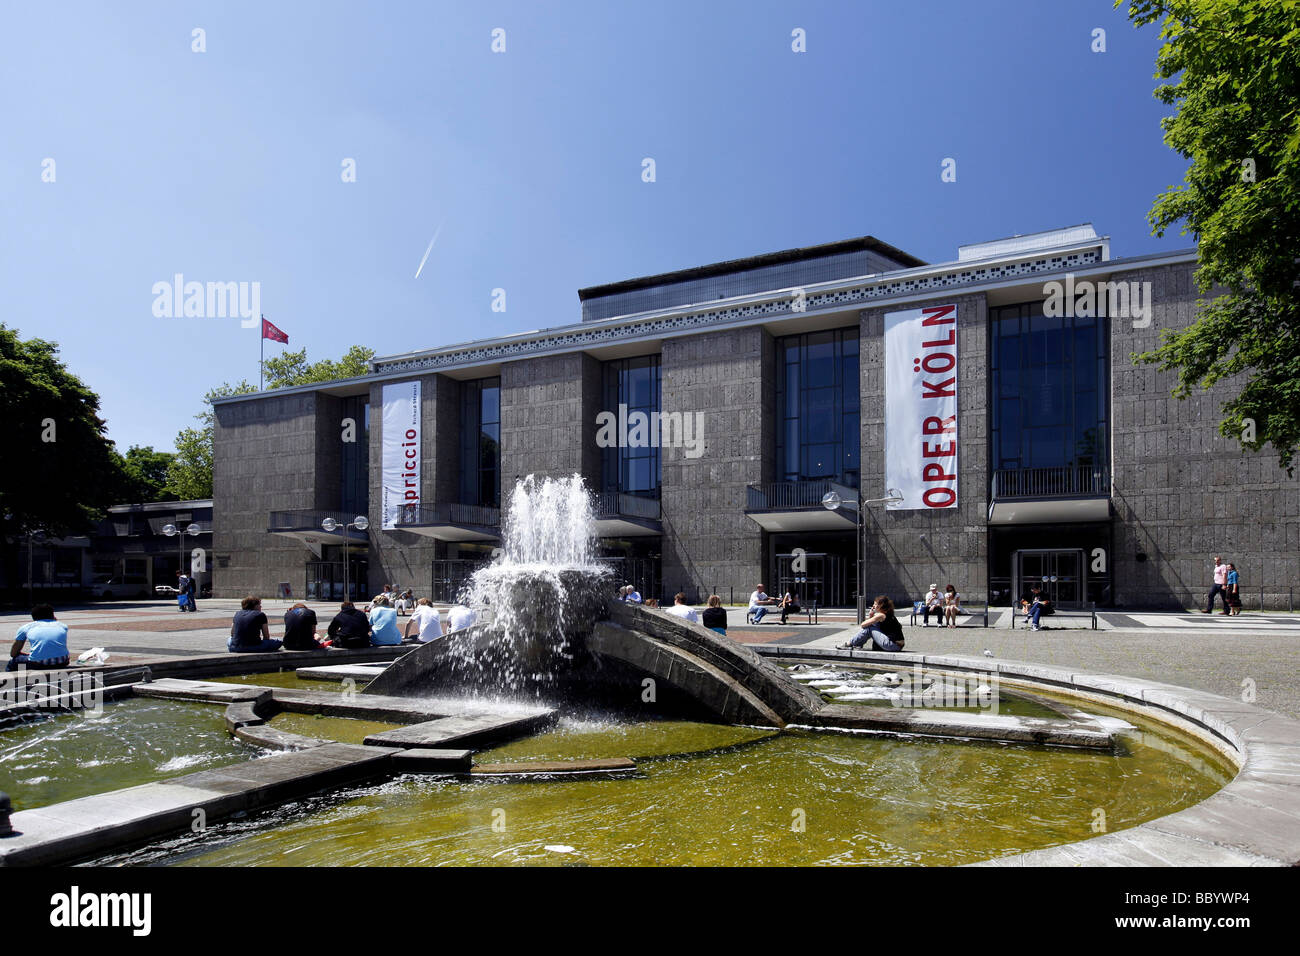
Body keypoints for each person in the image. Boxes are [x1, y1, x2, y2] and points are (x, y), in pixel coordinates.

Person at [7, 604, 71, 671]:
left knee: (15, 661)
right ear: (53, 615)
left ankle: (19, 677)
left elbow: (13, 653)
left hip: (38, 664)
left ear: (33, 617)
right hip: (63, 661)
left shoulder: (26, 627)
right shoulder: (63, 626)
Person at [840, 596, 906, 652]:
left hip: (893, 645)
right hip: (896, 646)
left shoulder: (881, 615)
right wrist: (871, 616)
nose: (873, 606)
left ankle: (849, 644)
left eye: (875, 604)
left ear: (880, 605)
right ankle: (855, 644)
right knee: (872, 626)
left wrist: (871, 615)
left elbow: (863, 625)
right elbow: (873, 625)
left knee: (870, 628)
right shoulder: (888, 614)